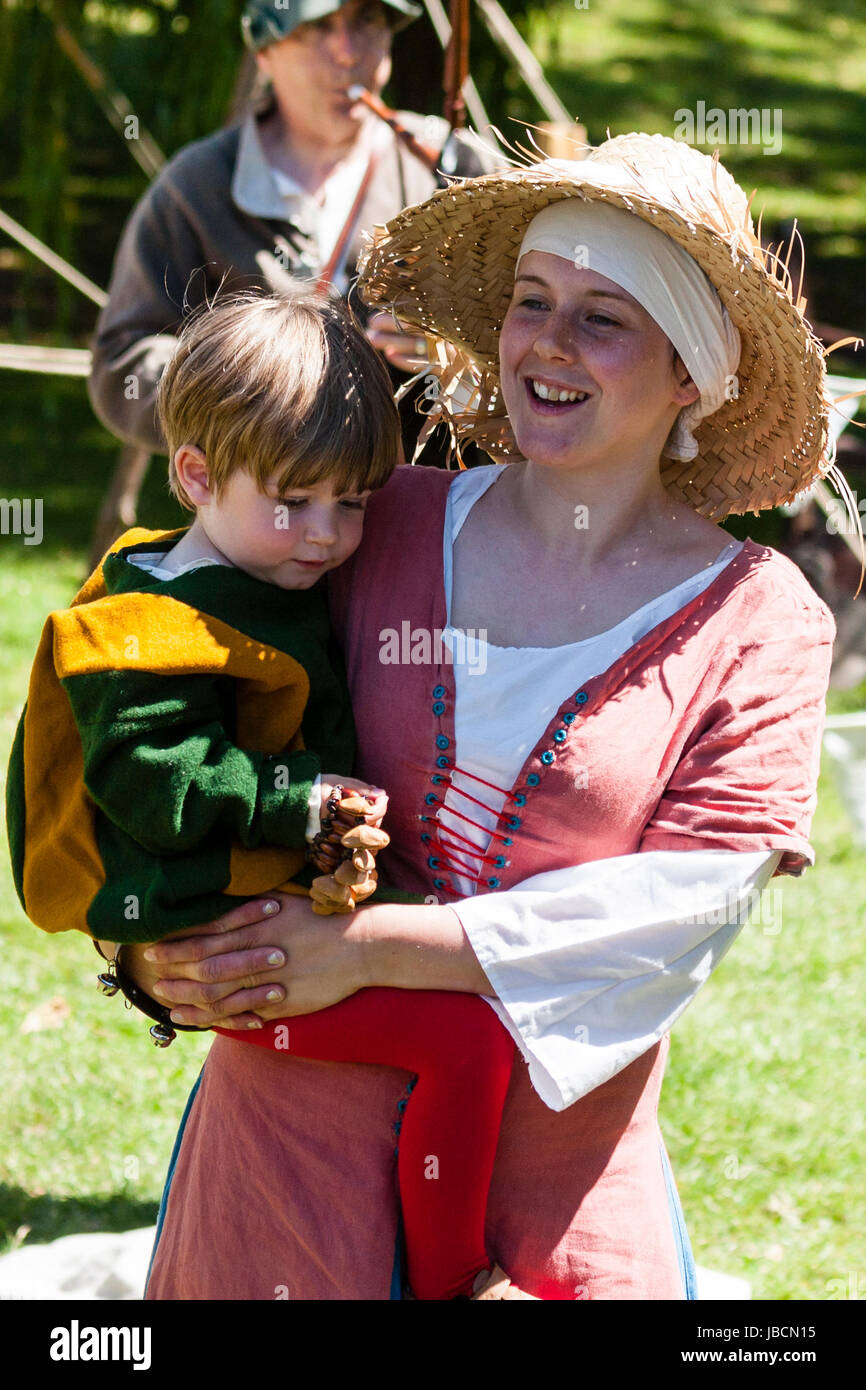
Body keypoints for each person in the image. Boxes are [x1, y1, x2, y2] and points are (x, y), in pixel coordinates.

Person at [98, 134, 844, 1299]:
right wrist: (140, 942)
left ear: (690, 373)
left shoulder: (755, 621)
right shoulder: (365, 520)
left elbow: (672, 915)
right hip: (280, 1175)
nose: (545, 343)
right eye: (530, 301)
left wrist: (362, 950)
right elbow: (142, 685)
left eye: (603, 318)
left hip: (552, 1191)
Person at [9, 289, 530, 1302]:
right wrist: (298, 801)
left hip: (272, 907)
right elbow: (153, 781)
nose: (329, 534)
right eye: (298, 499)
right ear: (196, 476)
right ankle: (452, 1272)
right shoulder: (149, 622)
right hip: (218, 932)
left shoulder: (268, 566)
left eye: (354, 502)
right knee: (464, 1042)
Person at [86, 0, 495, 458]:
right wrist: (250, 395)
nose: (347, 52)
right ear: (263, 51)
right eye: (317, 25)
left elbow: (543, 342)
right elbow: (122, 368)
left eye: (367, 20)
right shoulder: (198, 188)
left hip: (436, 518)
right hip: (263, 525)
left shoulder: (453, 170)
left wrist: (459, 353)